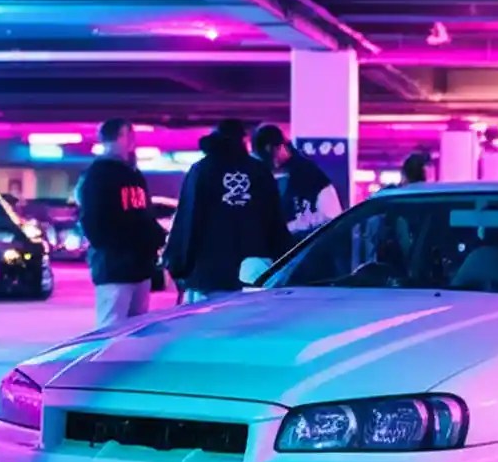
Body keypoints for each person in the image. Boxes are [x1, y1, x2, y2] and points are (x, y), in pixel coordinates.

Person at [165, 119, 292, 304]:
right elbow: (275, 222)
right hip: (254, 270)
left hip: (209, 272)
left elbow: (188, 220)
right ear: (243, 140)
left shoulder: (201, 170)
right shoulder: (259, 171)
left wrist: (179, 264)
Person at [78, 118, 168, 329]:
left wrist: (155, 240)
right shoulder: (97, 175)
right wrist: (122, 247)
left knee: (137, 329)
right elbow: (92, 223)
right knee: (110, 329)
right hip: (115, 268)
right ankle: (104, 363)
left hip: (139, 267)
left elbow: (144, 215)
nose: (132, 142)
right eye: (129, 136)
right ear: (119, 137)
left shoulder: (134, 175)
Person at [252, 124, 345, 243]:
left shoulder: (310, 175)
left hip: (305, 247)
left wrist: (293, 226)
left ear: (278, 147)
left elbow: (331, 217)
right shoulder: (262, 175)